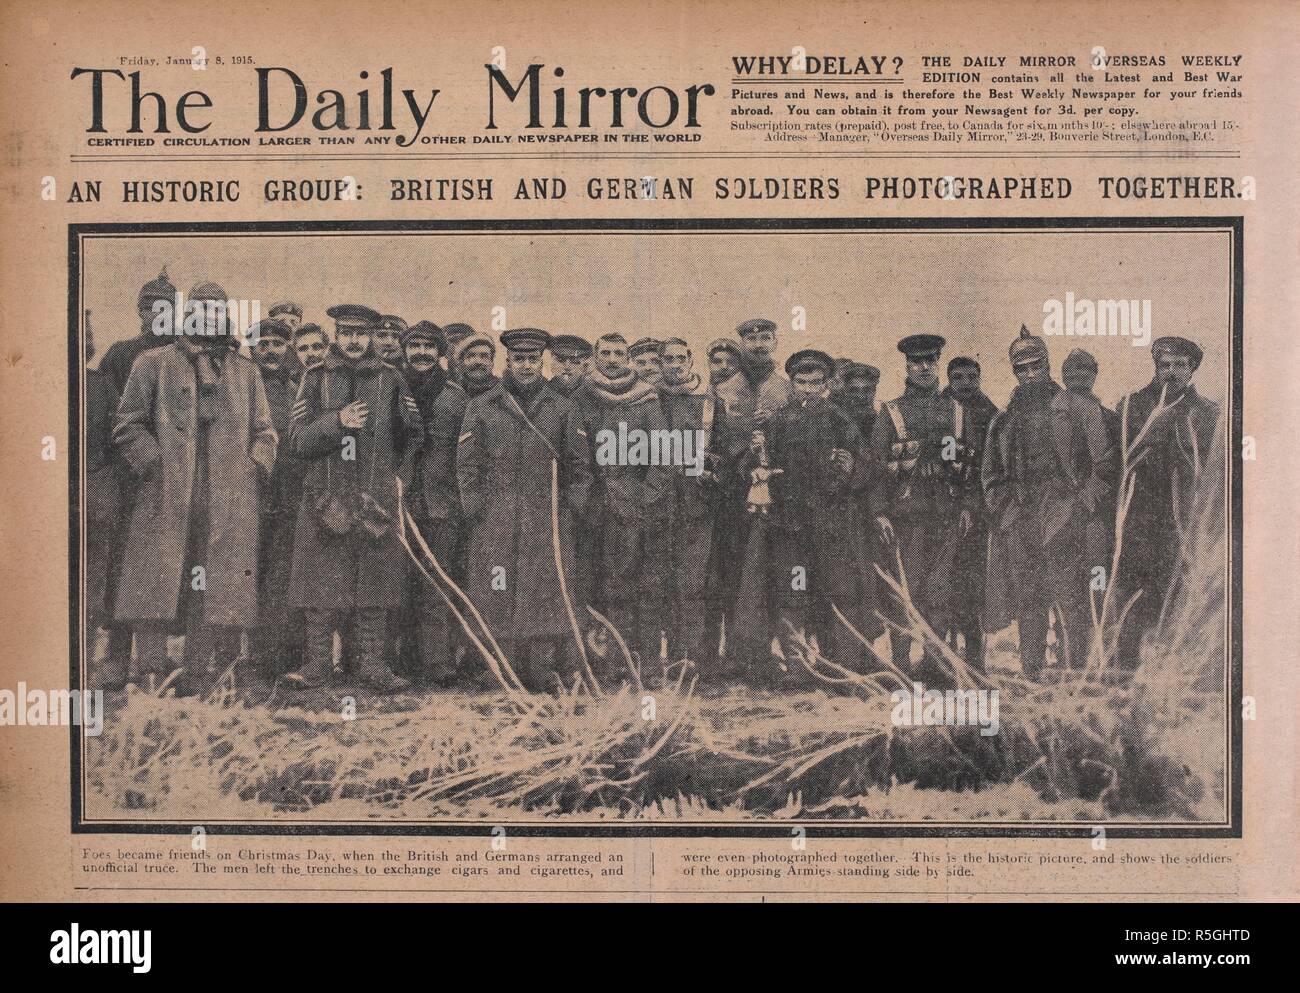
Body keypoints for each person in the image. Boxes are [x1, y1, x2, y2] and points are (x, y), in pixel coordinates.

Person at [112, 281, 277, 692]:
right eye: (201, 309)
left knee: (212, 580)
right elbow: (127, 425)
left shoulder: (246, 370)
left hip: (226, 496)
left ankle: (200, 670)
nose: (209, 317)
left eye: (217, 310)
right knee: (158, 577)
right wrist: (153, 463)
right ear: (188, 315)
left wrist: (251, 467)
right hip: (167, 491)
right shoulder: (153, 363)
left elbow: (266, 432)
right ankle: (151, 667)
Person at [285, 304, 423, 693]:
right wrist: (336, 422)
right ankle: (316, 666)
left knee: (374, 588)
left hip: (374, 500)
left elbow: (413, 435)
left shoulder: (391, 378)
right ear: (336, 335)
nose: (353, 341)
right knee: (320, 590)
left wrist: (397, 478)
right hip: (324, 498)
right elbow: (296, 441)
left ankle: (372, 668)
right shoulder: (315, 378)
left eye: (360, 334)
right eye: (346, 333)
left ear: (371, 337)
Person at [457, 329, 592, 692]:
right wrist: (476, 511)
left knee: (543, 589)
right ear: (508, 362)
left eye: (533, 359)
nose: (526, 366)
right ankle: (500, 666)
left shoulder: (562, 407)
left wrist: (567, 511)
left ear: (542, 362)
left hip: (545, 517)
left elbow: (580, 467)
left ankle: (540, 667)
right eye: (519, 359)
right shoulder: (483, 406)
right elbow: (467, 465)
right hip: (496, 519)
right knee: (496, 586)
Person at [983, 328, 1116, 677]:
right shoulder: (1003, 420)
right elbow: (992, 476)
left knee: (1070, 598)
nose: (1029, 374)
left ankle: (1074, 674)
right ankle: (1031, 673)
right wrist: (1006, 514)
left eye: (1036, 366)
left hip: (1064, 513)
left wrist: (1083, 505)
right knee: (1028, 599)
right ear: (1014, 371)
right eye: (1021, 368)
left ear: (1048, 365)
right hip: (1022, 517)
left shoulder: (1077, 408)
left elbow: (1104, 464)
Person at [737, 349, 873, 681]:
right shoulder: (775, 422)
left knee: (835, 593)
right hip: (789, 529)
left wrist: (851, 467)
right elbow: (748, 467)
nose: (808, 390)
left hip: (830, 528)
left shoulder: (841, 420)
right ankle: (796, 665)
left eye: (816, 383)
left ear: (827, 384)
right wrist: (755, 465)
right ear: (793, 384)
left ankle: (837, 665)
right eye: (801, 383)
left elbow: (867, 466)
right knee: (793, 591)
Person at [867, 334, 975, 680]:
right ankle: (900, 665)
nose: (925, 368)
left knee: (940, 591)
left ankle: (935, 663)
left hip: (945, 515)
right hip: (906, 519)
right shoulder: (891, 412)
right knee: (904, 591)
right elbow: (877, 467)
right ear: (907, 367)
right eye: (917, 362)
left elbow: (970, 464)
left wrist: (968, 506)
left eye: (931, 360)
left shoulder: (957, 412)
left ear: (938, 362)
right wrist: (879, 511)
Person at [1113, 335, 1219, 671]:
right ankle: (1124, 676)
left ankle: (1166, 678)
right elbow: (1119, 463)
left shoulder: (1207, 413)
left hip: (1182, 522)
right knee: (1131, 597)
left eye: (1179, 366)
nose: (1171, 372)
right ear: (1156, 368)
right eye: (1165, 365)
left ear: (1191, 370)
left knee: (1175, 595)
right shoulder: (1131, 406)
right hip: (1138, 520)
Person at [97, 267, 178, 681]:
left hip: (170, 481)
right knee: (119, 564)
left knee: (159, 566)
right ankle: (115, 653)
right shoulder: (121, 353)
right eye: (150, 308)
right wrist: (141, 459)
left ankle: (154, 656)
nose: (157, 315)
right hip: (129, 477)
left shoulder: (184, 356)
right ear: (140, 312)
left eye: (166, 308)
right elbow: (110, 416)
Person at [575, 333, 673, 670]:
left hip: (631, 507)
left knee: (633, 582)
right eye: (606, 353)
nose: (613, 359)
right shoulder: (581, 397)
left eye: (620, 353)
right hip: (589, 505)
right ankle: (596, 659)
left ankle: (639, 661)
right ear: (595, 356)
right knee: (590, 581)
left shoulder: (645, 399)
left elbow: (663, 456)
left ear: (629, 359)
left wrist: (644, 497)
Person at [710, 318, 793, 672]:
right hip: (734, 496)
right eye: (751, 338)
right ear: (741, 343)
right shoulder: (725, 392)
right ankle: (738, 651)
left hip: (781, 496)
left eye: (765, 338)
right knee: (736, 572)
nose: (759, 344)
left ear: (775, 342)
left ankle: (767, 649)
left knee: (774, 571)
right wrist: (745, 455)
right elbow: (715, 443)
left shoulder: (787, 390)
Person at [399, 320, 469, 686]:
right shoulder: (391, 387)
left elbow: (467, 455)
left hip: (442, 504)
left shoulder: (456, 398)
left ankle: (436, 662)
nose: (422, 353)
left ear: (440, 352)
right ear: (405, 350)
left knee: (437, 582)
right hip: (398, 501)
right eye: (415, 346)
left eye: (429, 346)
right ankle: (398, 660)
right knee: (397, 581)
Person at [656, 338, 721, 665]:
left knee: (693, 585)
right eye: (668, 359)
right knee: (658, 584)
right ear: (660, 362)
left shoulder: (709, 402)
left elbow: (726, 452)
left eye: (681, 358)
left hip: (697, 506)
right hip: (656, 506)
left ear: (691, 360)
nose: (675, 365)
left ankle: (693, 659)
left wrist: (713, 469)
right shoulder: (648, 399)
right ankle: (660, 660)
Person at [248, 318, 304, 677]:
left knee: (283, 574)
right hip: (248, 491)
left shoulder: (298, 389)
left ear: (288, 349)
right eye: (263, 344)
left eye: (277, 344)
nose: (270, 350)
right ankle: (247, 656)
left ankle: (281, 657)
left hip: (289, 493)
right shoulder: (240, 386)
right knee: (247, 571)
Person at [942, 356, 999, 670]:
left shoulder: (989, 414)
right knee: (942, 582)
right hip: (940, 509)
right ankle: (943, 650)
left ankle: (975, 653)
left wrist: (973, 505)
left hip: (975, 513)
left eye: (972, 376)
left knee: (971, 583)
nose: (965, 383)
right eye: (959, 377)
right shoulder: (940, 411)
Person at [84, 315, 123, 688]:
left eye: (88, 334)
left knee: (94, 585)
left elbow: (119, 438)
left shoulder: (100, 386)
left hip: (96, 498)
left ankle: (83, 659)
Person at [454, 330, 499, 399]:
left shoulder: (503, 391)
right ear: (461, 362)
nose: (478, 362)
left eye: (484, 356)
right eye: (471, 356)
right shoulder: (453, 392)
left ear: (491, 363)